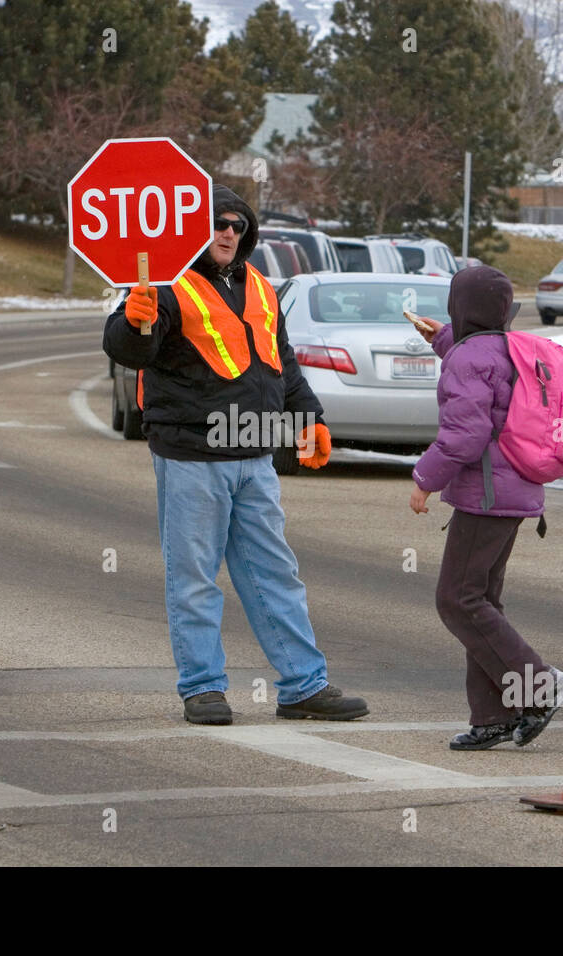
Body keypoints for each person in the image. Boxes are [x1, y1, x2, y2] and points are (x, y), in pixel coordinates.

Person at [102, 184, 369, 725]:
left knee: (276, 574)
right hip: (190, 457)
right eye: (218, 223)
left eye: (237, 225)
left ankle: (303, 686)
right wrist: (132, 319)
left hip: (255, 456)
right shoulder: (166, 288)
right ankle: (202, 687)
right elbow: (128, 350)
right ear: (191, 230)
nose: (228, 232)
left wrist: (310, 418)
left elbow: (282, 364)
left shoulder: (263, 290)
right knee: (195, 577)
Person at [409, 266, 563, 750]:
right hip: (516, 489)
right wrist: (441, 336)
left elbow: (466, 434)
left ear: (463, 309)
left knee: (458, 600)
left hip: (485, 495)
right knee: (481, 601)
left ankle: (540, 687)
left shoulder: (468, 358)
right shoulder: (512, 347)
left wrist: (424, 479)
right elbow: (480, 359)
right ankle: (493, 716)